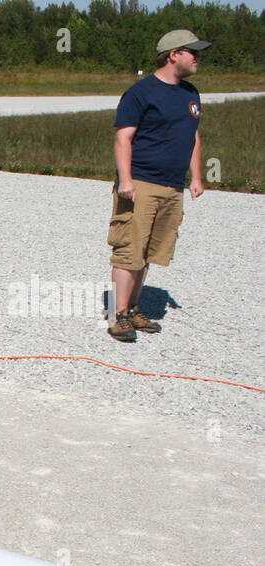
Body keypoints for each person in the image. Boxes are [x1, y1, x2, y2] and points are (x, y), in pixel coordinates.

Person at [106, 29, 209, 342]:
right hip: (141, 183)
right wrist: (125, 180)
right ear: (173, 54)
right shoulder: (141, 93)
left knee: (149, 252)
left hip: (171, 187)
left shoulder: (190, 93)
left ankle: (133, 308)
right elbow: (123, 137)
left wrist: (196, 177)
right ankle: (117, 316)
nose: (197, 57)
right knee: (129, 249)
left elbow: (192, 136)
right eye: (192, 51)